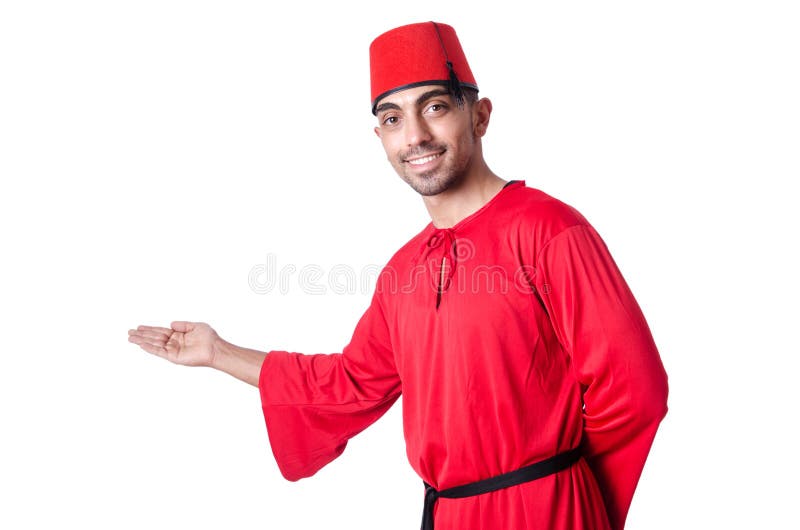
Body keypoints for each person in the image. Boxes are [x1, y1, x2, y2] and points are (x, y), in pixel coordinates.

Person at [128, 21, 669, 530]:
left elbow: (634, 389)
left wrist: (579, 504)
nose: (415, 136)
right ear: (380, 138)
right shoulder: (403, 273)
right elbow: (349, 385)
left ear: (478, 116)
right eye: (392, 118)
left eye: (434, 107)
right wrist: (219, 352)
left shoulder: (549, 231)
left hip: (547, 511)